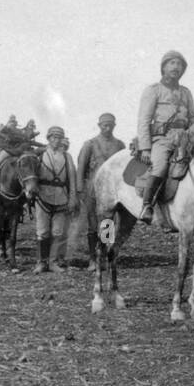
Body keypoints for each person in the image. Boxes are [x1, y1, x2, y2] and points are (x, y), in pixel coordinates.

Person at [136, 50, 194, 223]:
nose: (176, 67)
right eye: (172, 63)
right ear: (163, 67)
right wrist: (146, 148)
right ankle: (147, 206)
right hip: (161, 139)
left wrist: (190, 133)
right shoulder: (153, 90)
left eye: (179, 64)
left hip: (184, 140)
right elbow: (144, 120)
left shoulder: (186, 93)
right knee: (161, 167)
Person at [27, 127, 80, 273]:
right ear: (48, 138)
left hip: (61, 196)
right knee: (42, 231)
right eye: (53, 137)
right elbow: (30, 173)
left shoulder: (67, 157)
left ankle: (53, 262)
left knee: (58, 231)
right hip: (42, 196)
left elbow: (72, 179)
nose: (56, 140)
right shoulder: (40, 154)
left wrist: (72, 198)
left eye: (59, 137)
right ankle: (41, 262)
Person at [75, 114, 124, 269]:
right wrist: (79, 190)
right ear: (99, 125)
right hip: (92, 190)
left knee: (108, 223)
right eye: (104, 125)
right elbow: (81, 168)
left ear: (114, 126)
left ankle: (103, 257)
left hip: (111, 192)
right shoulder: (90, 144)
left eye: (110, 125)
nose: (107, 128)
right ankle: (92, 259)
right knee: (92, 225)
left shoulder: (119, 145)